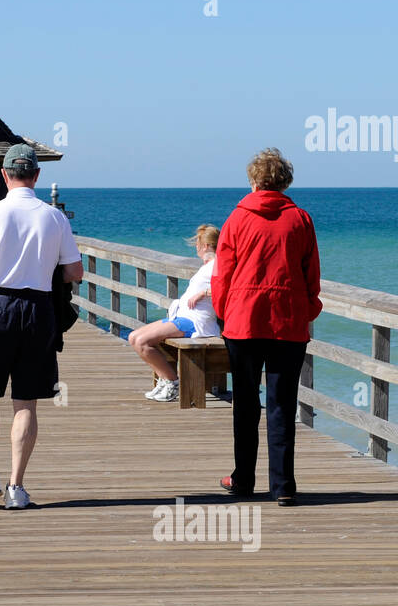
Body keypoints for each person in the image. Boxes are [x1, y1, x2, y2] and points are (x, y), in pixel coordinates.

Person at [0, 144, 83, 510]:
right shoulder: (55, 218)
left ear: (5, 174)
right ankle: (17, 488)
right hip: (39, 310)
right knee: (26, 402)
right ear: (37, 176)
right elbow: (75, 272)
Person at [210, 148, 322, 507]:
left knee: (245, 402)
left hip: (243, 322)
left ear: (255, 180)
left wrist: (223, 312)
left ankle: (243, 479)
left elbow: (222, 273)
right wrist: (309, 309)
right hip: (288, 323)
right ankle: (283, 485)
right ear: (284, 181)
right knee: (282, 404)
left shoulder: (237, 219)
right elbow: (311, 275)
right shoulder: (300, 219)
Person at [129, 224, 221, 402]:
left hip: (195, 322)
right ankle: (164, 379)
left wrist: (203, 293)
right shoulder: (209, 265)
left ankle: (173, 383)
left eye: (198, 244)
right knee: (133, 337)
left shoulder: (217, 264)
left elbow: (227, 286)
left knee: (142, 341)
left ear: (206, 246)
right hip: (183, 316)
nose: (196, 248)